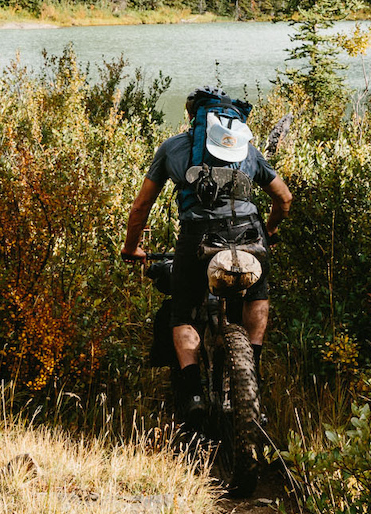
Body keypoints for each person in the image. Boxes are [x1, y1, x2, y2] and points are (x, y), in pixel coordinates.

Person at [122, 86, 292, 420]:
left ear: (191, 117)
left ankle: (193, 394)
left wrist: (132, 247)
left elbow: (141, 205)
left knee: (184, 313)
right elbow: (284, 198)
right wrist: (269, 231)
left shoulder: (173, 148)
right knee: (257, 297)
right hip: (250, 235)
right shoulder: (248, 150)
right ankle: (251, 375)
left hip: (197, 240)